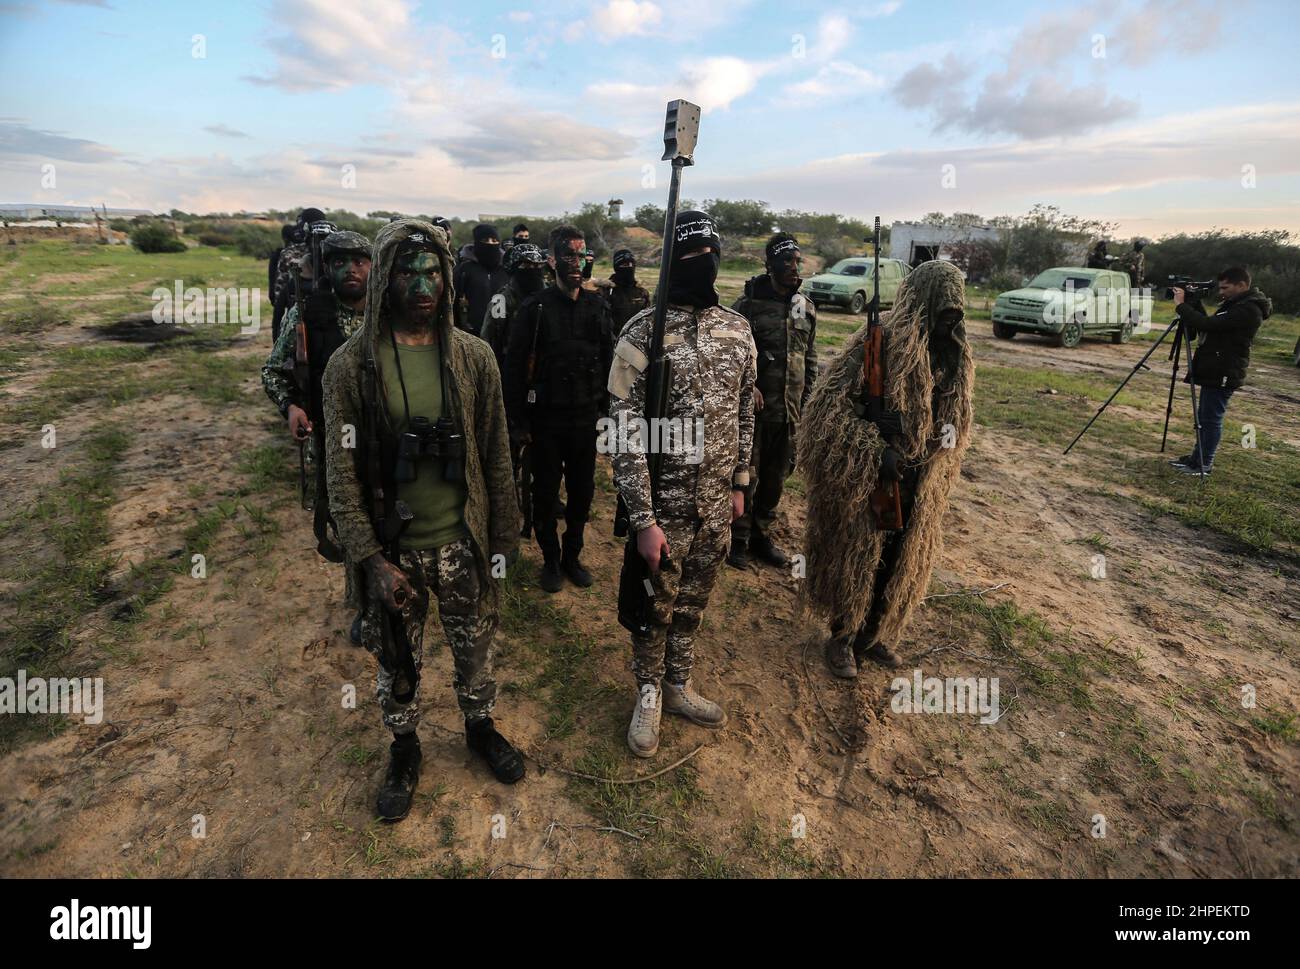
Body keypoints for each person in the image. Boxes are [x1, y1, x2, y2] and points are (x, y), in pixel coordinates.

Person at [321, 219, 524, 822]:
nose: (421, 284)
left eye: (432, 271)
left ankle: (479, 728)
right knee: (396, 662)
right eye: (407, 272)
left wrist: (503, 540)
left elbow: (496, 454)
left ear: (447, 276)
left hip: (463, 539)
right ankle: (404, 749)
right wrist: (370, 561)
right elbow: (341, 474)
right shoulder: (351, 368)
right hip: (395, 549)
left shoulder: (473, 357)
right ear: (385, 277)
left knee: (476, 646)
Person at [609, 211, 756, 758]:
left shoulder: (737, 330)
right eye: (691, 257)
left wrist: (740, 483)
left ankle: (677, 685)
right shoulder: (640, 331)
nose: (705, 265)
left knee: (693, 601)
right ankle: (646, 693)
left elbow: (746, 410)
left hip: (717, 500)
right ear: (672, 262)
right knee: (653, 605)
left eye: (711, 254)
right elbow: (622, 430)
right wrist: (643, 518)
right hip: (663, 507)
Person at [797, 261, 974, 678]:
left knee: (900, 559)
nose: (952, 317)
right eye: (943, 307)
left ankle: (871, 635)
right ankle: (842, 636)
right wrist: (875, 450)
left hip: (923, 477)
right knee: (859, 554)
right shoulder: (880, 340)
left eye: (957, 309)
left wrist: (936, 445)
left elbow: (958, 418)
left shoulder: (954, 351)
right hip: (871, 475)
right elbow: (826, 411)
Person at [262, 232, 373, 643]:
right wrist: (292, 406)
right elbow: (273, 371)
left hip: (387, 435)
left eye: (359, 261)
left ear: (372, 266)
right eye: (340, 262)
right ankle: (363, 602)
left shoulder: (389, 311)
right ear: (327, 268)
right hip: (332, 439)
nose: (351, 270)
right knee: (348, 522)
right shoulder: (307, 313)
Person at [503, 226, 612, 593]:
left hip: (584, 422)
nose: (576, 263)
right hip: (545, 423)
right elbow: (515, 368)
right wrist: (519, 422)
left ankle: (571, 556)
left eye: (581, 255)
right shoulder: (534, 309)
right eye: (568, 255)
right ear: (552, 261)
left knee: (582, 495)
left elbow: (610, 361)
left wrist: (606, 413)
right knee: (546, 496)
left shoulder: (598, 306)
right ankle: (550, 559)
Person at [727, 233, 818, 569]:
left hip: (790, 412)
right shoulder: (747, 306)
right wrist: (747, 387)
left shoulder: (804, 306)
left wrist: (809, 401)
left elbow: (809, 358)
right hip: (754, 413)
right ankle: (737, 539)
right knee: (745, 476)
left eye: (797, 261)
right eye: (786, 261)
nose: (794, 267)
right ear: (770, 265)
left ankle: (760, 537)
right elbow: (732, 357)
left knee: (777, 476)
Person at [1169, 266, 1271, 475]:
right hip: (1216, 367)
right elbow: (1209, 323)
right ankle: (1196, 459)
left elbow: (1208, 325)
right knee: (1204, 417)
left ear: (1241, 285)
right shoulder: (1236, 304)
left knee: (1211, 418)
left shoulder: (1248, 309)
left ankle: (1204, 463)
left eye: (1226, 287)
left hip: (1225, 370)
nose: (1221, 291)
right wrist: (1194, 302)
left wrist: (1181, 306)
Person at [480, 243, 547, 374]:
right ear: (515, 268)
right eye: (527, 265)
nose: (533, 269)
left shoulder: (548, 296)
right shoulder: (501, 300)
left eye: (537, 265)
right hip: (511, 368)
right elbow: (488, 340)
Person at [452, 224, 507, 336]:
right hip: (470, 333)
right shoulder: (464, 269)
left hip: (500, 334)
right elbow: (453, 303)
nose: (490, 244)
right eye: (486, 240)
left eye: (494, 240)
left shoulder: (506, 269)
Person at [607, 248, 650, 337]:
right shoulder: (607, 291)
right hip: (613, 342)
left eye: (632, 264)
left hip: (636, 343)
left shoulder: (642, 293)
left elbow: (648, 321)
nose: (630, 267)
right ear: (617, 267)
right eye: (626, 264)